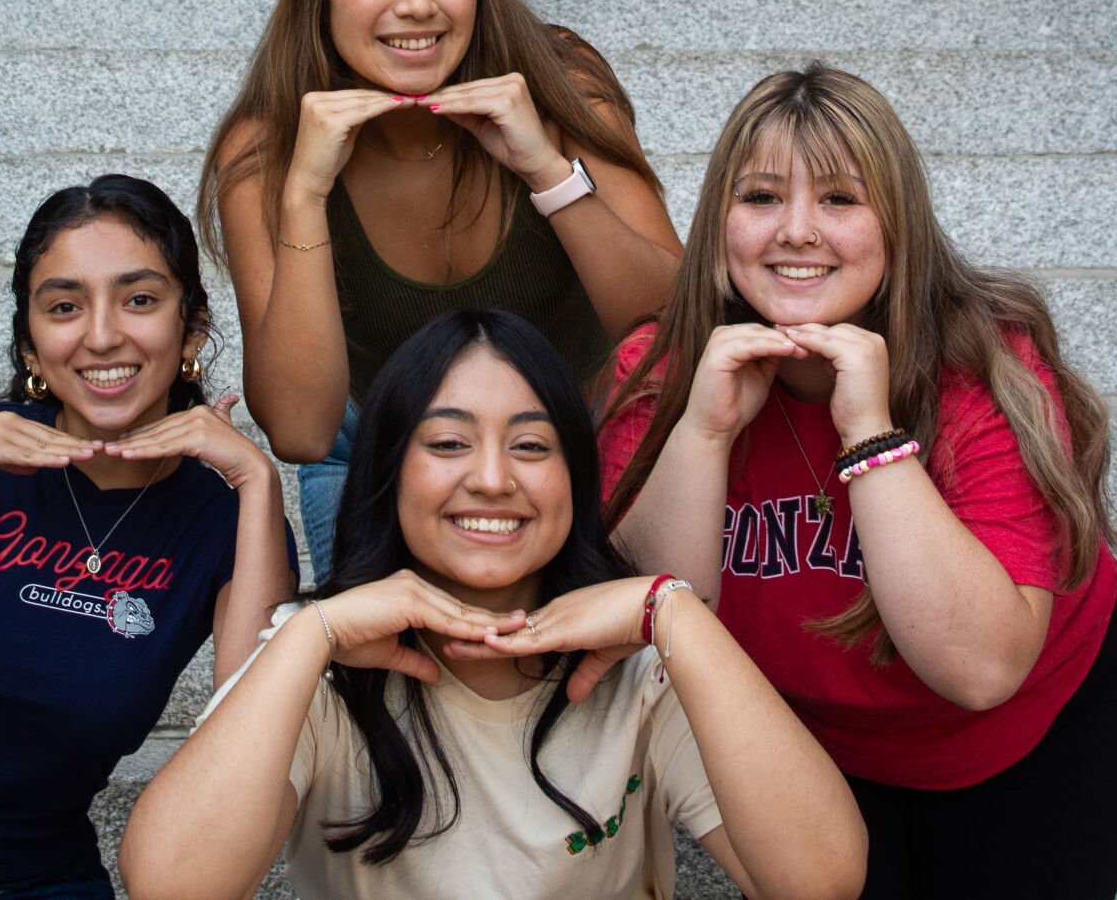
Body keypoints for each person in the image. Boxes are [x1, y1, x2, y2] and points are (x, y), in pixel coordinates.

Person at [119, 308, 867, 900]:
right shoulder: (314, 657)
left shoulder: (640, 665)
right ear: (388, 472)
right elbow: (174, 884)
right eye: (447, 444)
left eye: (532, 447)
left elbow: (820, 881)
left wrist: (675, 614)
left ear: (576, 480)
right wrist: (311, 633)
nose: (491, 479)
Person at [598, 64, 1117, 900]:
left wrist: (869, 433)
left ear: (896, 224)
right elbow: (669, 622)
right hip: (816, 747)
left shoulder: (985, 367)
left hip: (1024, 734)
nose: (796, 230)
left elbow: (982, 671)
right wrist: (705, 429)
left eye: (840, 200)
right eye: (761, 197)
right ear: (719, 220)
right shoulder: (660, 375)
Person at [198, 0, 681, 581]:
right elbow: (297, 429)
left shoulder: (560, 82)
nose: (419, 3)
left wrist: (546, 171)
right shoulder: (268, 146)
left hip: (580, 437)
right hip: (377, 453)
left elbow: (672, 322)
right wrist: (304, 197)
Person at [0, 174, 297, 900]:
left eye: (139, 299)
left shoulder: (228, 516)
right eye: (64, 306)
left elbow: (252, 756)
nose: (102, 334)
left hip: (34, 881)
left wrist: (259, 483)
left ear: (192, 331)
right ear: (30, 340)